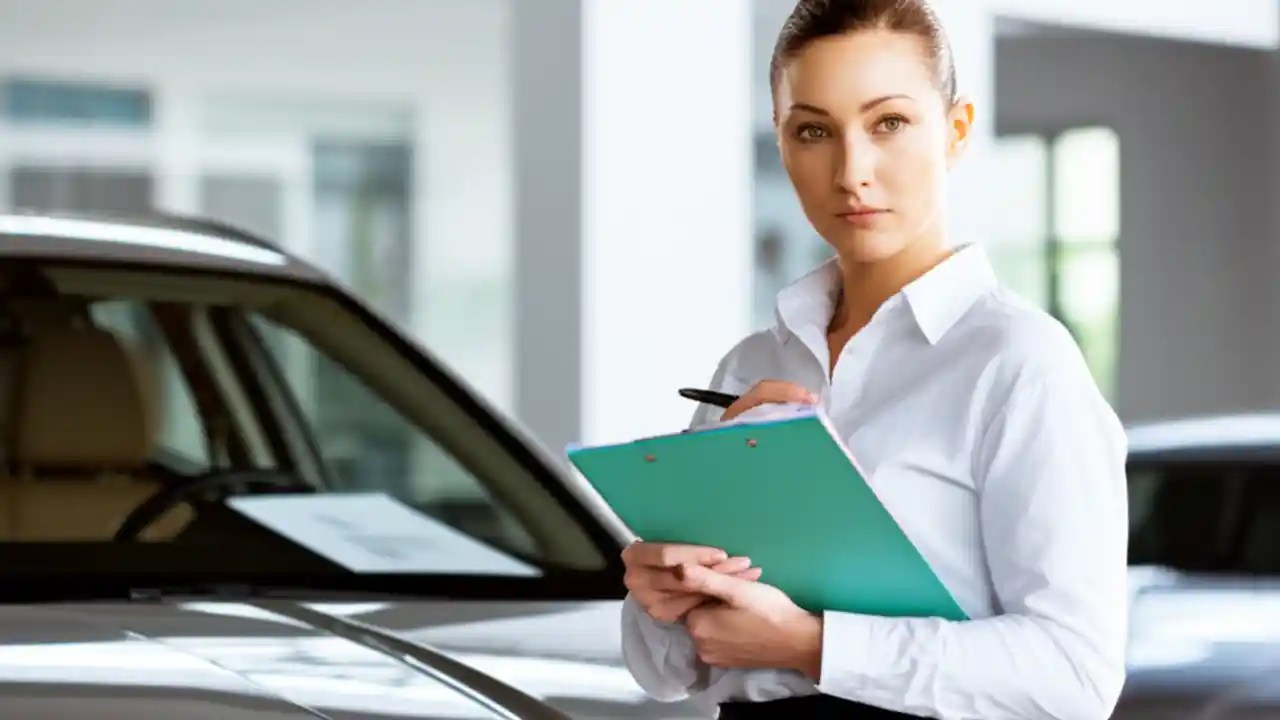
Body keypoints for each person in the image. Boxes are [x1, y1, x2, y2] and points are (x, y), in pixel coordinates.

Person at [619, 0, 1130, 718]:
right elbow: (668, 675)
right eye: (814, 131)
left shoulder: (1018, 362)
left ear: (955, 132)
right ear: (782, 141)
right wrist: (658, 597)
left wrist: (811, 644)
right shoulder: (750, 366)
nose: (851, 169)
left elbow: (1076, 678)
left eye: (888, 123)